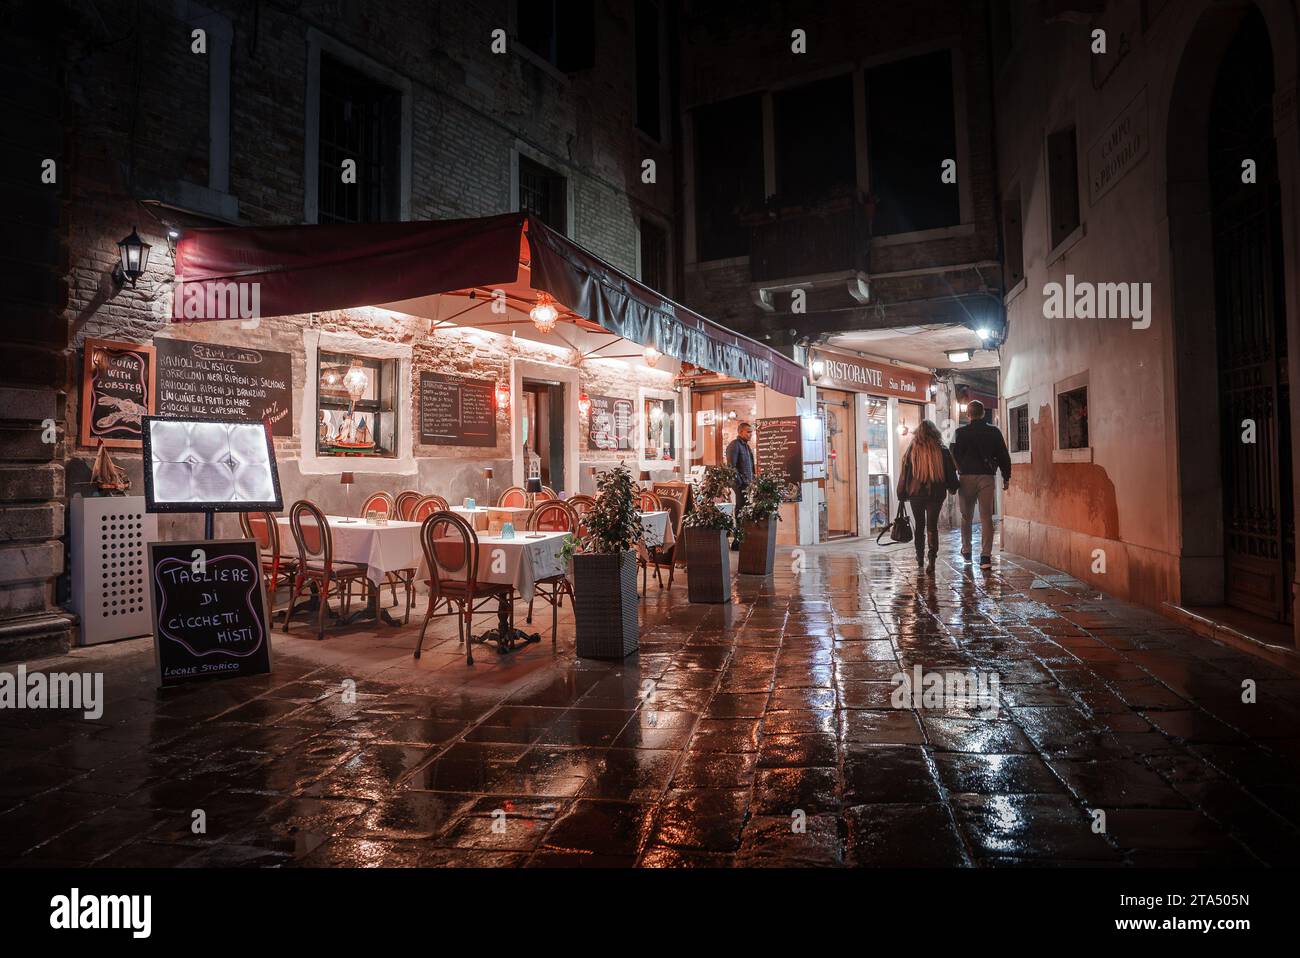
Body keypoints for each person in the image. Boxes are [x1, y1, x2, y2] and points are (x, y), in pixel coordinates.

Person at [951, 399, 1012, 568]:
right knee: (986, 517)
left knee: (966, 517)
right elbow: (1003, 455)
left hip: (966, 478)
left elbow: (952, 453)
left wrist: (958, 470)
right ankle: (985, 557)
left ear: (968, 414)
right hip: (986, 477)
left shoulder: (959, 432)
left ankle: (967, 550)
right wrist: (1006, 476)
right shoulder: (994, 432)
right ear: (983, 413)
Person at [896, 420, 959, 574]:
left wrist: (901, 492)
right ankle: (932, 559)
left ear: (918, 433)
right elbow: (950, 471)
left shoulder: (912, 450)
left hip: (916, 494)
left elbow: (904, 474)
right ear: (934, 432)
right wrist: (953, 487)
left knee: (919, 526)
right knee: (932, 527)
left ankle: (919, 558)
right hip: (936, 494)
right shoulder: (942, 449)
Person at [725, 422, 755, 551]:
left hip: (748, 484)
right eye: (748, 432)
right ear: (740, 432)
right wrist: (741, 481)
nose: (750, 434)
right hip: (740, 484)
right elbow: (731, 467)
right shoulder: (734, 445)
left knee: (744, 510)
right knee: (740, 510)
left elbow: (750, 466)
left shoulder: (747, 447)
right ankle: (737, 540)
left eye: (751, 432)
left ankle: (743, 538)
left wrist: (752, 481)